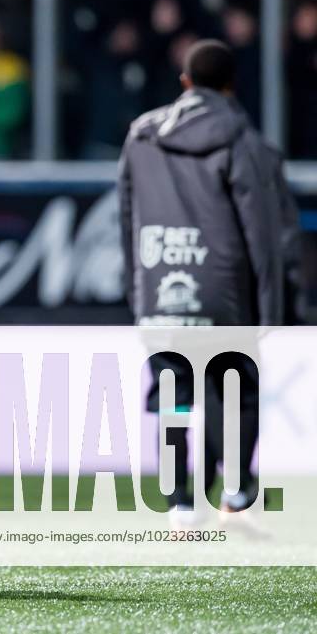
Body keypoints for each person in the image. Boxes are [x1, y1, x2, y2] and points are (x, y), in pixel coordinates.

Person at [118, 39, 298, 529]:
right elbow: (262, 230)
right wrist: (270, 307)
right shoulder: (242, 139)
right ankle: (236, 493)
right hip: (224, 290)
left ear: (185, 82)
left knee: (173, 394)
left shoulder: (141, 135)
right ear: (231, 84)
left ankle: (180, 505)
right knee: (234, 390)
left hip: (159, 282)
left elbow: (127, 218)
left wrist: (138, 291)